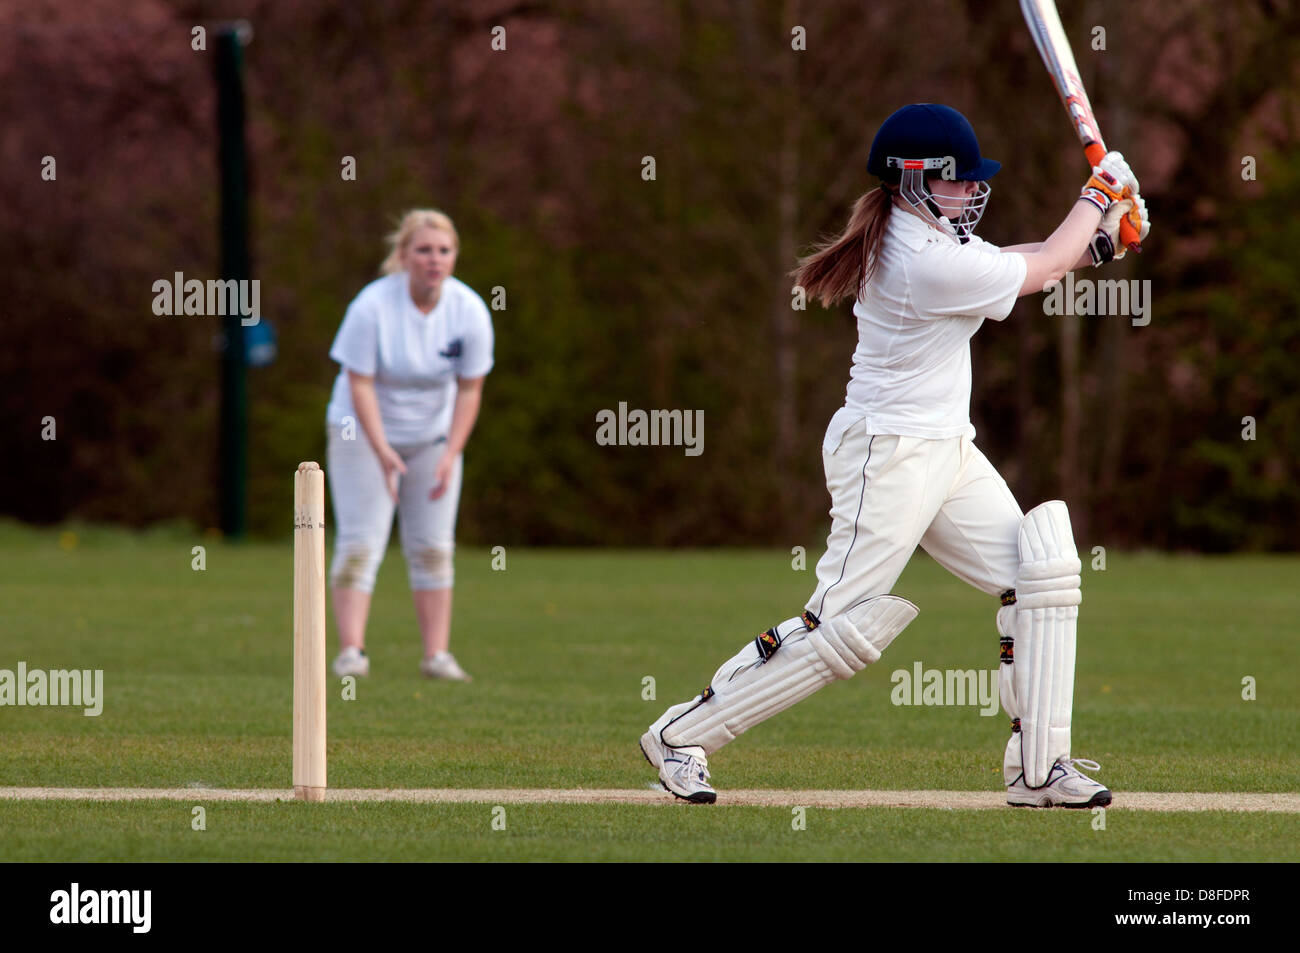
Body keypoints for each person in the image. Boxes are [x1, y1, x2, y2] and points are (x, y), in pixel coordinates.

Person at [640, 103, 1149, 806]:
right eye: (957, 179)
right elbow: (1040, 268)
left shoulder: (933, 240)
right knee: (842, 629)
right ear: (914, 180)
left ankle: (1040, 768)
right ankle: (680, 735)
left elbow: (1025, 262)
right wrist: (1097, 197)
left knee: (1042, 575)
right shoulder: (919, 260)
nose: (972, 190)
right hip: (888, 453)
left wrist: (1101, 242)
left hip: (948, 448)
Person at [324, 208, 494, 682]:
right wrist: (382, 451)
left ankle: (436, 656)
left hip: (432, 437)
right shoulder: (371, 306)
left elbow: (470, 389)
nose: (433, 260)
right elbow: (359, 382)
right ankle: (351, 653)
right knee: (361, 542)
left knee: (433, 546)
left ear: (454, 256)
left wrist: (450, 453)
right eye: (423, 250)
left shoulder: (469, 310)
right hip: (361, 431)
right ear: (403, 256)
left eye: (443, 251)